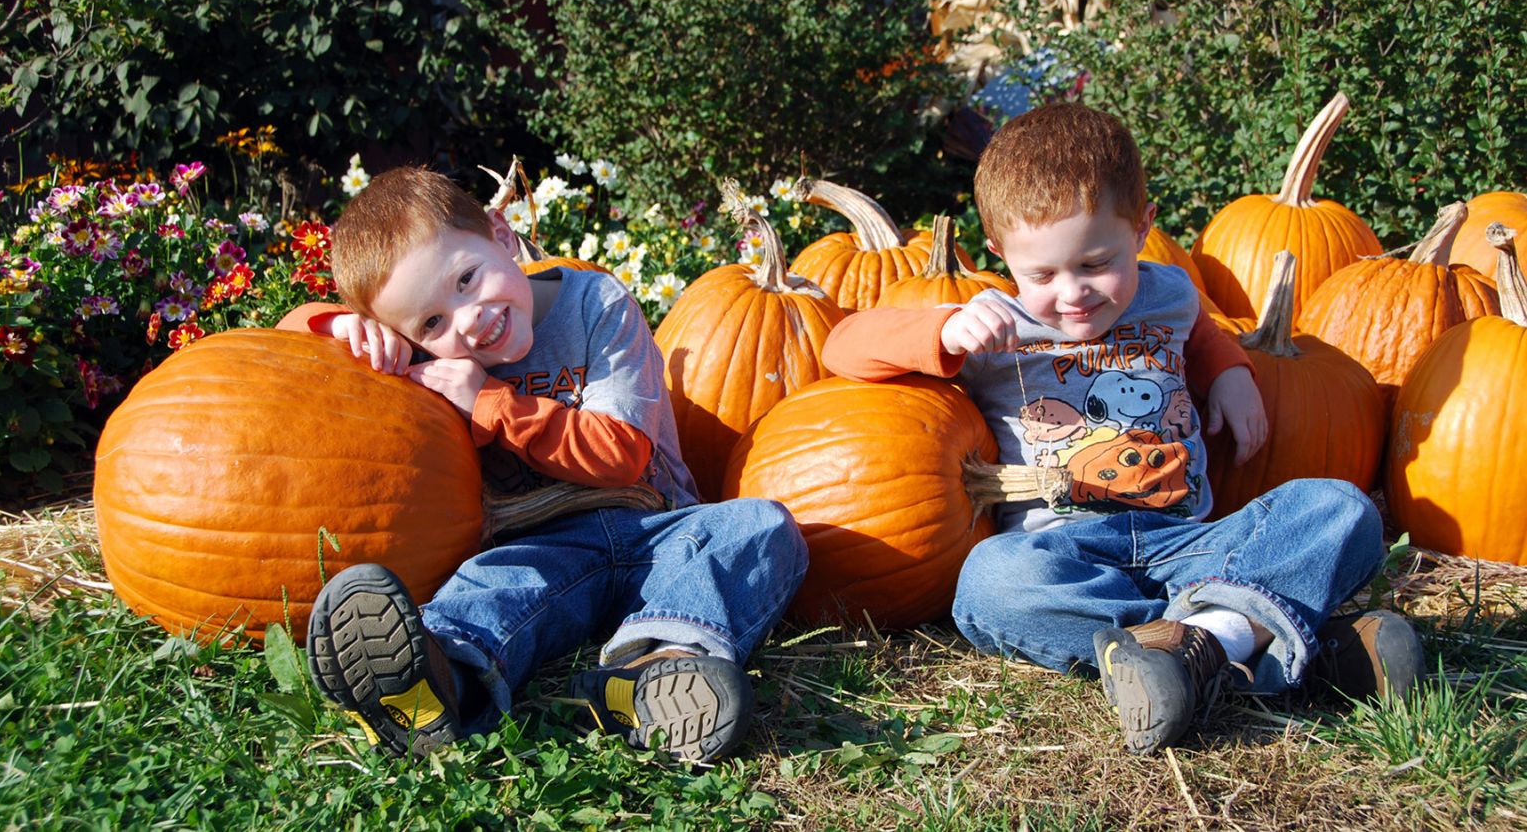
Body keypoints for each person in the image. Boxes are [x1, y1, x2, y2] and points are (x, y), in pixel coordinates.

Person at [821, 103, 1423, 754]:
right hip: (1065, 555)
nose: (1072, 293)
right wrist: (940, 331)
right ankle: (1249, 638)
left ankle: (1190, 649)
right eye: (1042, 274)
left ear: (1142, 228)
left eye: (1095, 263)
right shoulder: (990, 324)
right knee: (989, 584)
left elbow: (1198, 333)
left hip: (1189, 544)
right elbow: (842, 347)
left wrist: (1230, 374)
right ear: (1000, 253)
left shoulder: (1170, 294)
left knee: (1341, 508)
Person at [278, 166, 807, 761]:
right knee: (490, 589)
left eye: (467, 279)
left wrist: (490, 401)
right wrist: (342, 327)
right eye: (432, 322)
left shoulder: (596, 305)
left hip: (660, 529)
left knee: (761, 526)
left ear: (502, 235)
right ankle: (434, 686)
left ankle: (653, 671)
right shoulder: (433, 364)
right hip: (540, 547)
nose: (467, 319)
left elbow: (621, 455)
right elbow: (286, 350)